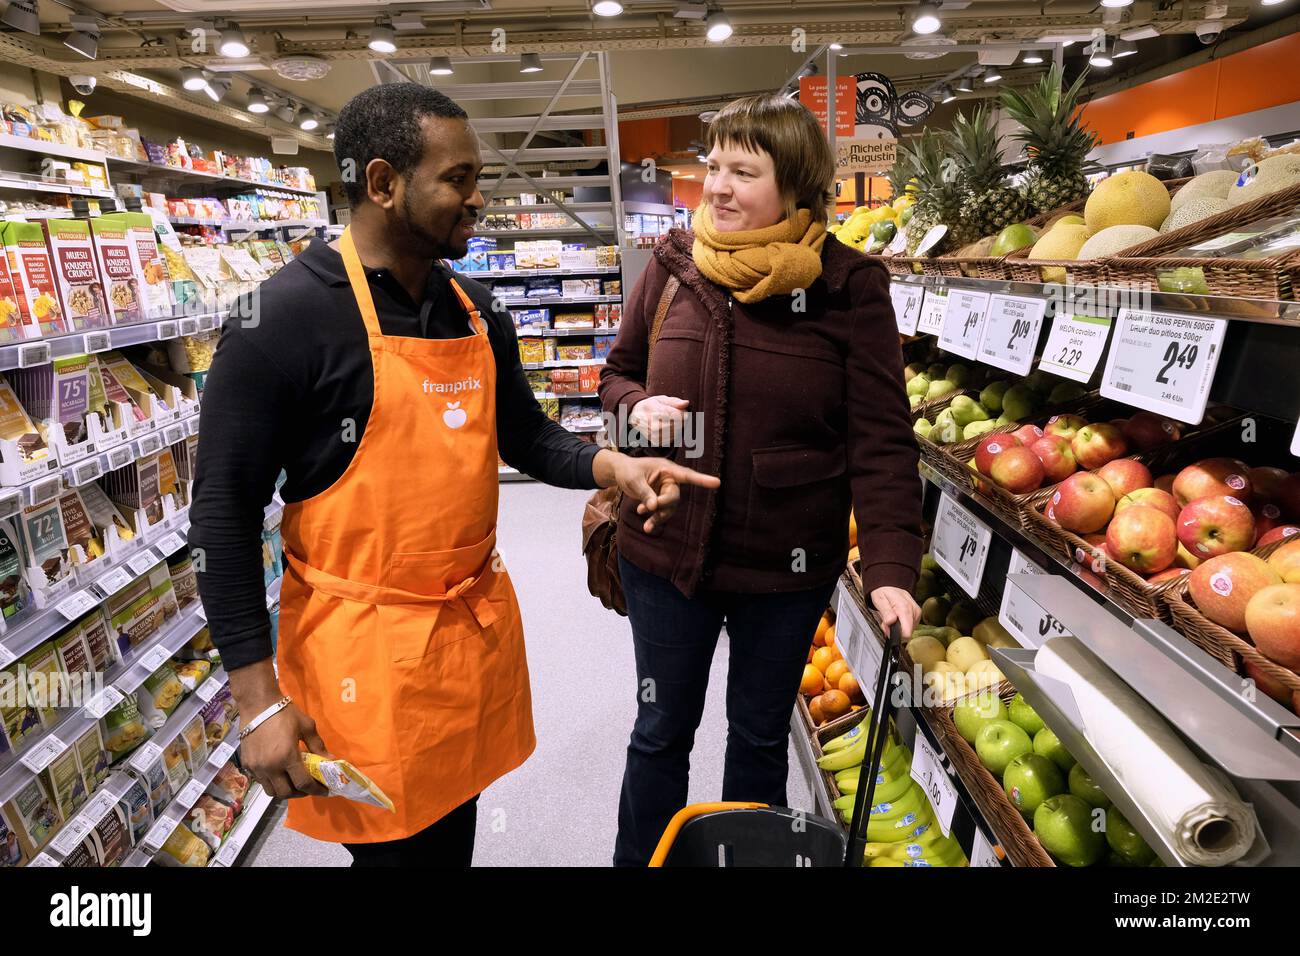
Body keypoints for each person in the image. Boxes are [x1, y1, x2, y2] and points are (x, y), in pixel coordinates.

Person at [189, 82, 717, 868]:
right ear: (382, 183)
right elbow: (222, 521)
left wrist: (611, 462)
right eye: (459, 179)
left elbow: (526, 436)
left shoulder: (473, 308)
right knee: (401, 855)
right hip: (363, 656)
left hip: (464, 641)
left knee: (453, 836)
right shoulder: (281, 322)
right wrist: (258, 701)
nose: (479, 201)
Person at [599, 93, 924, 866]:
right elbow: (614, 378)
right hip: (665, 556)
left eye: (743, 171)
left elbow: (881, 439)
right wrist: (636, 409)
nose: (717, 186)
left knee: (757, 736)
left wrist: (889, 567)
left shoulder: (849, 286)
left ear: (797, 184)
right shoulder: (673, 267)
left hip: (787, 569)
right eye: (713, 166)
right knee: (658, 733)